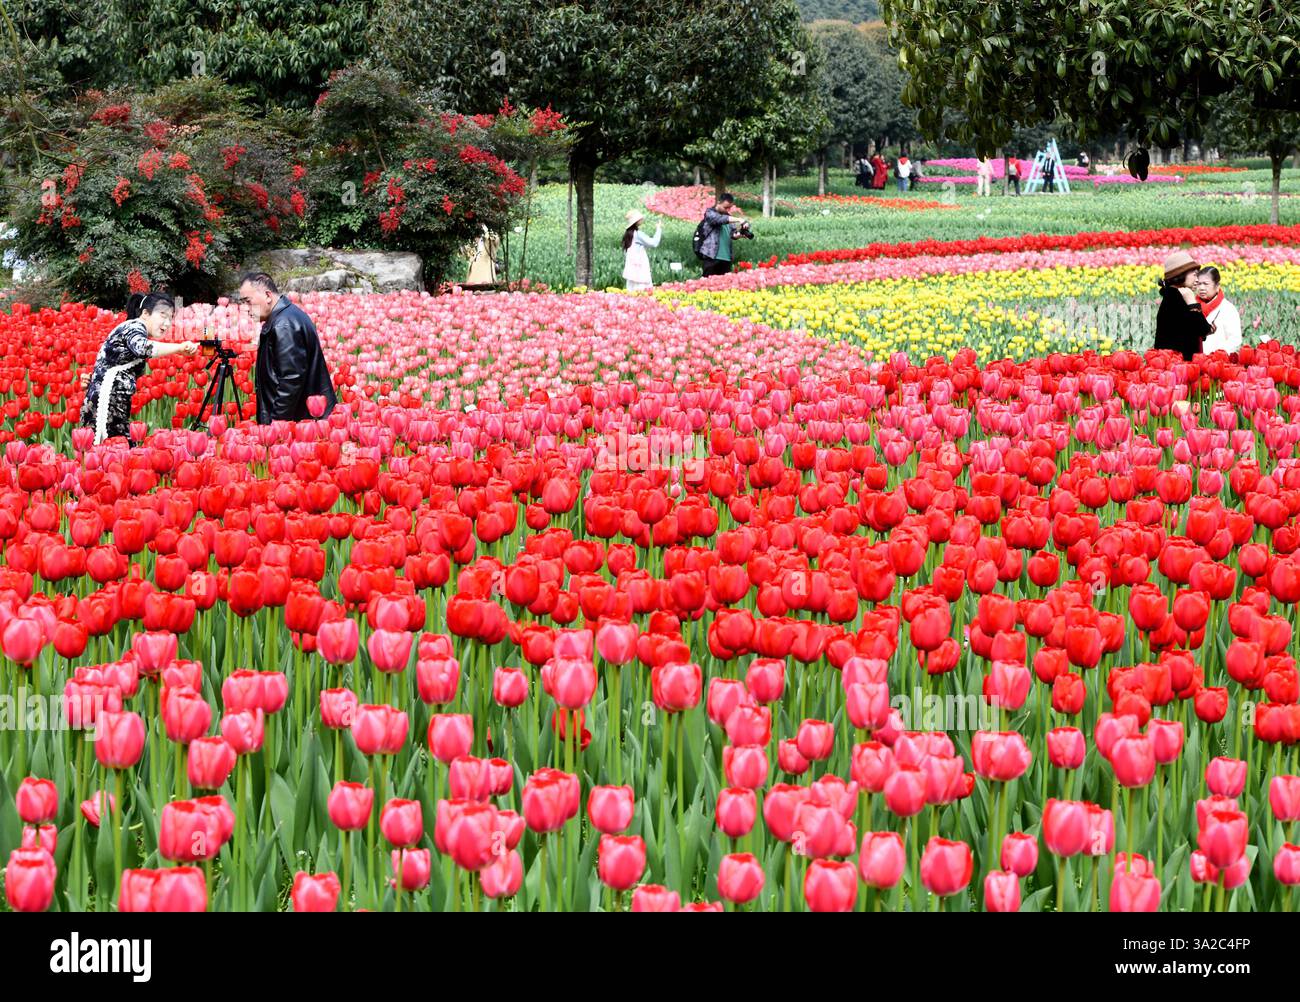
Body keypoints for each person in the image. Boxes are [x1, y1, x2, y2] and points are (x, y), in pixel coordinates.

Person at [79, 291, 200, 445]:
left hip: (113, 402)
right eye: (163, 315)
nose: (167, 323)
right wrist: (179, 348)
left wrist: (92, 380)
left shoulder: (132, 328)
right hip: (107, 405)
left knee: (115, 453)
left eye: (170, 318)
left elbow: (108, 362)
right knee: (113, 452)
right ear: (145, 313)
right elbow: (142, 348)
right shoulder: (135, 327)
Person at [239, 272, 338, 424]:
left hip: (296, 426)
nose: (245, 308)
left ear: (267, 296)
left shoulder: (284, 325)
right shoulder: (288, 316)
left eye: (248, 301)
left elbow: (290, 381)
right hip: (301, 421)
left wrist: (277, 425)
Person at [1153, 251, 1212, 361]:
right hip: (1179, 369)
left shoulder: (1172, 295)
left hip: (1172, 366)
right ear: (1180, 274)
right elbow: (1201, 329)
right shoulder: (1177, 299)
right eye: (1194, 274)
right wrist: (1192, 303)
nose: (1197, 280)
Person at [697, 193, 748, 278]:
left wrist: (740, 234)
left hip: (726, 258)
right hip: (711, 257)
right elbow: (719, 219)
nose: (727, 210)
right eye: (725, 207)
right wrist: (739, 219)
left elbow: (732, 234)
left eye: (729, 208)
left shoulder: (728, 217)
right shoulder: (710, 213)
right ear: (719, 202)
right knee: (708, 285)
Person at [1196, 265, 1242, 355]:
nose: (1201, 288)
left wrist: (1216, 355)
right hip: (1194, 361)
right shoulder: (1191, 307)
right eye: (1199, 284)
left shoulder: (1227, 309)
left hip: (1218, 362)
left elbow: (1235, 340)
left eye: (1206, 284)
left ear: (1217, 286)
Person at [622, 209, 662, 291]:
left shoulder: (629, 234)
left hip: (632, 268)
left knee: (631, 291)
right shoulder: (638, 234)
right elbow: (654, 243)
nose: (642, 220)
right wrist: (658, 229)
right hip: (639, 268)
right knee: (642, 290)